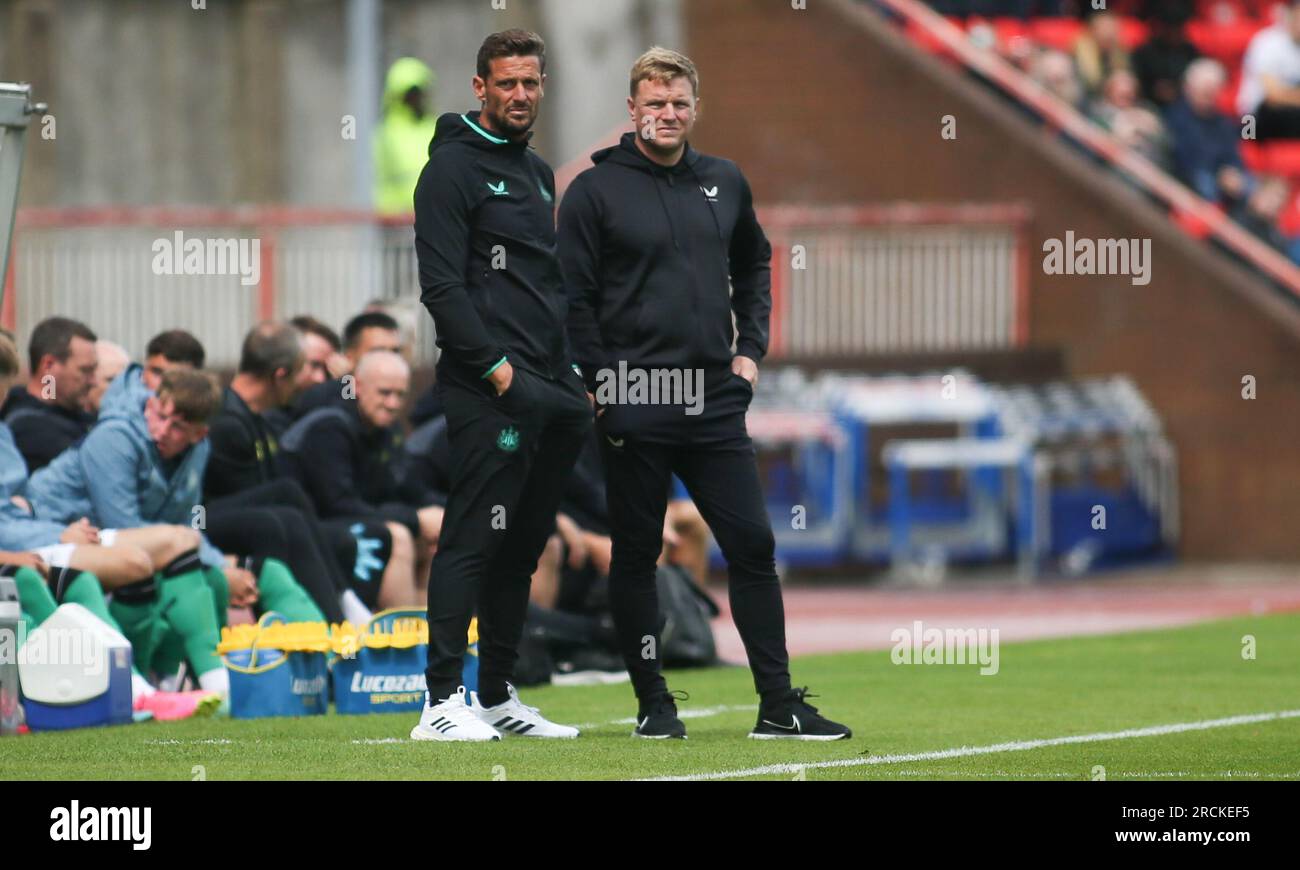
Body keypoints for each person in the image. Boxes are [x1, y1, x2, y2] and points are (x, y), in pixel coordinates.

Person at [558, 46, 850, 740]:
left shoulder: (724, 180)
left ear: (696, 108)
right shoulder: (594, 193)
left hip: (713, 399)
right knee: (637, 555)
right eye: (654, 103)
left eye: (679, 103)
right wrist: (603, 386)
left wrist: (749, 352)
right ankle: (654, 704)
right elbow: (572, 300)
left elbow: (755, 263)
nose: (667, 114)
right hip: (635, 397)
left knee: (751, 544)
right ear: (632, 110)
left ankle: (778, 705)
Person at [409, 29, 591, 741]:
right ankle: (439, 704)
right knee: (470, 539)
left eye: (531, 82)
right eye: (507, 83)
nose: (521, 94)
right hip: (488, 386)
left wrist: (570, 374)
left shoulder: (538, 172)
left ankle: (495, 695)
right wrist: (498, 369)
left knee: (522, 545)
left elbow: (545, 287)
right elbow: (442, 287)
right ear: (479, 88)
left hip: (551, 387)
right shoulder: (449, 171)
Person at [277, 350, 430, 610]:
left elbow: (403, 487)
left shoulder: (386, 429)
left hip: (352, 516)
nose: (393, 403)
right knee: (400, 534)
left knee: (434, 537)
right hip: (309, 526)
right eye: (384, 393)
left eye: (400, 395)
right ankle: (401, 635)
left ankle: (440, 636)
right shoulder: (330, 426)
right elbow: (337, 503)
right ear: (357, 387)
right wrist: (414, 519)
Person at [1, 316, 97, 471]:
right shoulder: (29, 428)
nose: (93, 381)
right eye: (85, 371)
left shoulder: (74, 416)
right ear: (49, 365)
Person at [1166, 59, 1250, 205]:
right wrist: (1219, 175)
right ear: (1189, 88)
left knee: (1250, 185)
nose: (1209, 96)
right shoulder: (1174, 116)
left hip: (1221, 180)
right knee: (1205, 183)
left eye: (1213, 91)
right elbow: (1182, 156)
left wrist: (1232, 171)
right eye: (1204, 91)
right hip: (1189, 178)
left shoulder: (1224, 124)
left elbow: (1233, 155)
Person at [375, 57, 440, 217]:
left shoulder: (434, 127)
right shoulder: (386, 133)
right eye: (410, 94)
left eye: (419, 93)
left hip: (433, 215)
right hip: (397, 221)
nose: (416, 99)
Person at [1237, 0, 1300, 140]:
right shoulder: (1267, 42)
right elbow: (1272, 95)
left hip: (1291, 113)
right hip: (1252, 118)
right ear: (1289, 15)